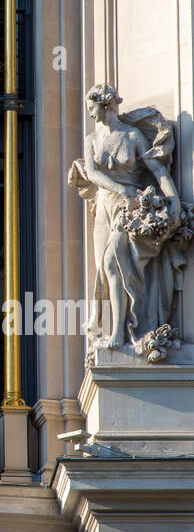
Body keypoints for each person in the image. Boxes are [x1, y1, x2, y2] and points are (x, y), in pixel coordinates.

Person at [69, 84, 190, 356]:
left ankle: (119, 334)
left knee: (114, 262)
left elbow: (157, 170)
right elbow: (92, 173)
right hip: (105, 206)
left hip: (129, 210)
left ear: (107, 104)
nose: (90, 115)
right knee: (104, 270)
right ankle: (115, 328)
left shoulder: (132, 136)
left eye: (92, 108)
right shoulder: (92, 140)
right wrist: (121, 188)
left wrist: (172, 200)